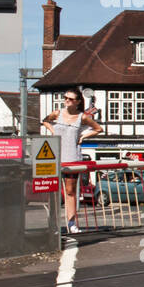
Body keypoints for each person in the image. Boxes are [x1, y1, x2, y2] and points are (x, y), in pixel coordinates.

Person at [42, 89, 103, 235]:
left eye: (70, 98)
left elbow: (98, 129)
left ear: (77, 102)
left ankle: (71, 223)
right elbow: (45, 121)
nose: (66, 100)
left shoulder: (82, 117)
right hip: (55, 156)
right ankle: (53, 225)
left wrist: (83, 137)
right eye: (65, 97)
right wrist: (52, 130)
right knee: (54, 192)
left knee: (70, 191)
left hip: (72, 157)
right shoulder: (57, 113)